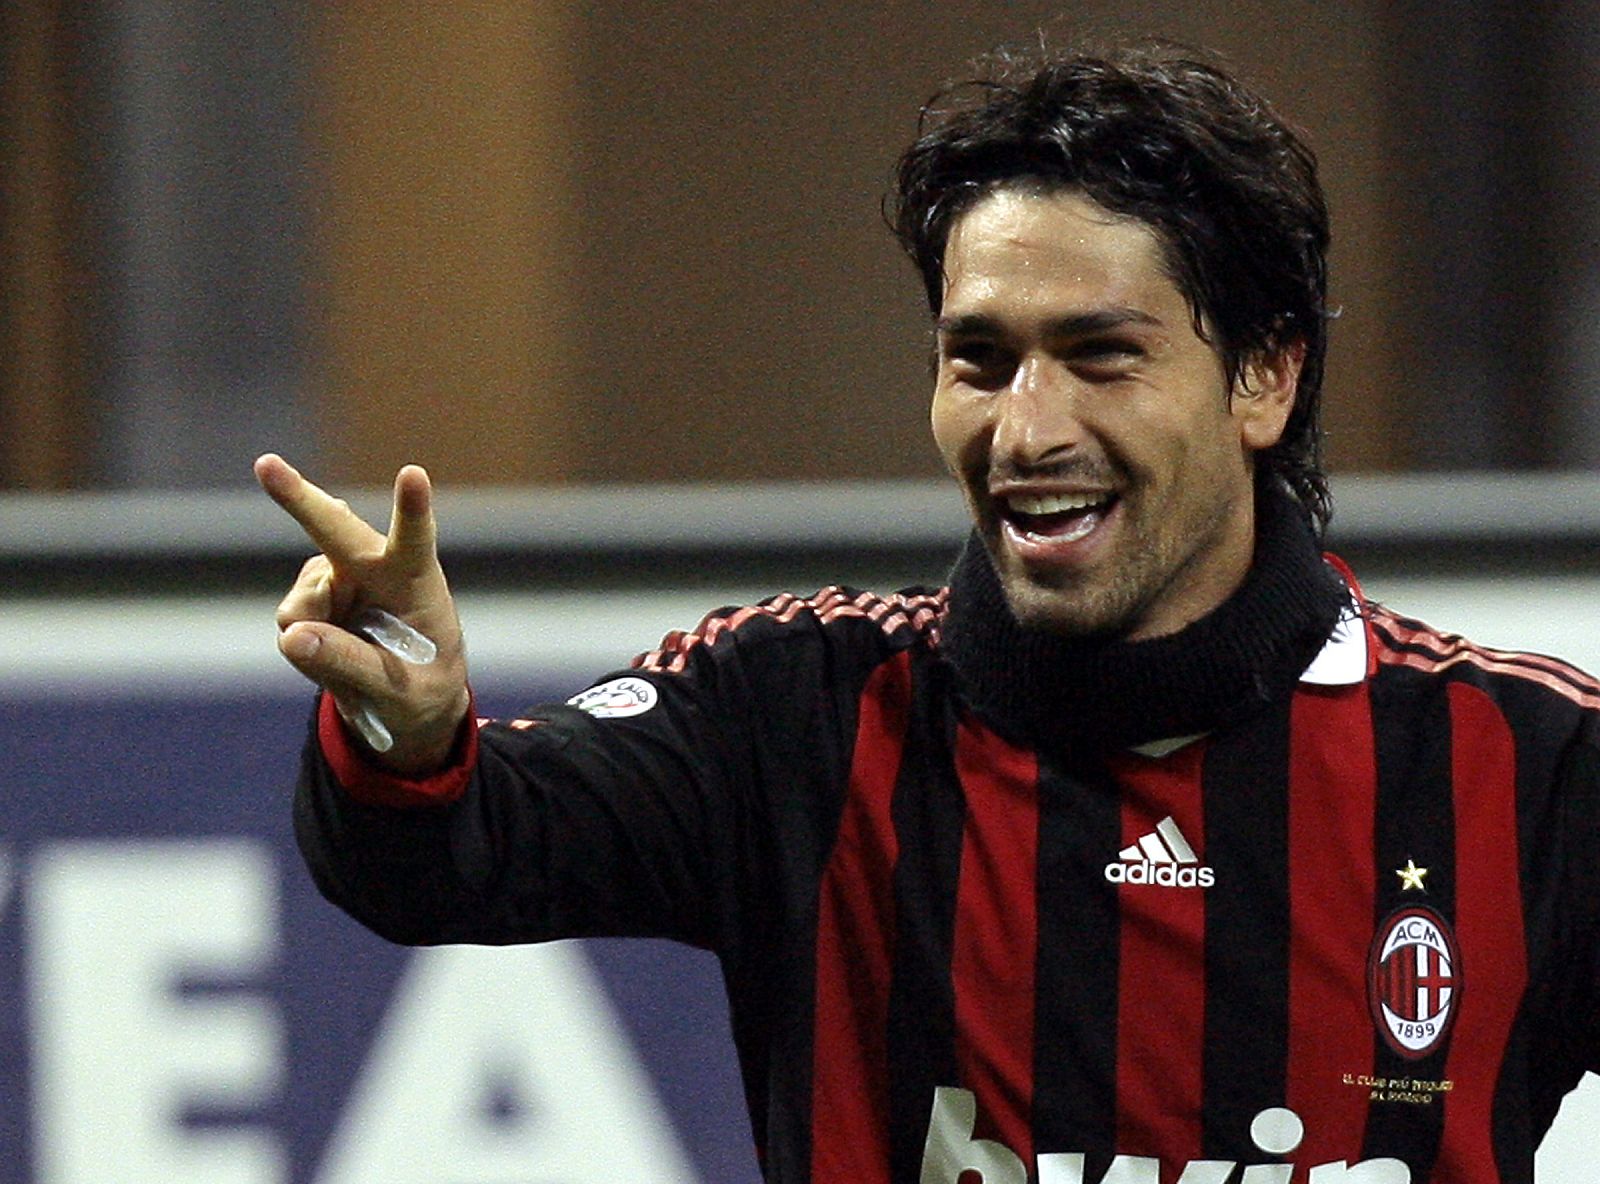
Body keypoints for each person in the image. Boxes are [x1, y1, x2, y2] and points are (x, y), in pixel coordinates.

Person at [257, 42, 1600, 1184]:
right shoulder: (795, 712)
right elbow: (454, 856)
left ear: (1262, 376)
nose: (1027, 429)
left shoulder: (1530, 770)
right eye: (983, 359)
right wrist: (407, 733)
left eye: (1100, 356)